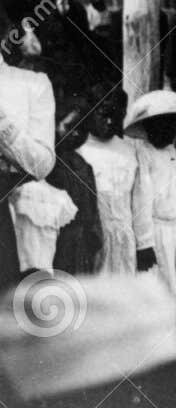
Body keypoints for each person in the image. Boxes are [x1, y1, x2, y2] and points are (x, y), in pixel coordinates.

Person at [125, 90, 176, 293]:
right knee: (149, 290)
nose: (165, 131)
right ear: (147, 126)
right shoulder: (143, 153)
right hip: (150, 233)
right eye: (158, 125)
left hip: (171, 235)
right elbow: (141, 201)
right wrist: (144, 244)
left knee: (169, 292)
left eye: (171, 126)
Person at [76, 86, 147, 275]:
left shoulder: (130, 152)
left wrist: (144, 243)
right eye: (103, 115)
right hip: (94, 239)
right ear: (90, 113)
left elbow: (140, 202)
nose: (109, 121)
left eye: (115, 116)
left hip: (125, 239)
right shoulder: (81, 153)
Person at [46, 93, 100, 275]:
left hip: (81, 242)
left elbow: (92, 207)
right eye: (69, 126)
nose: (76, 133)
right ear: (55, 124)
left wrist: (93, 234)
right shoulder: (46, 162)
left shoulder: (84, 165)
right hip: (56, 241)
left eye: (82, 129)